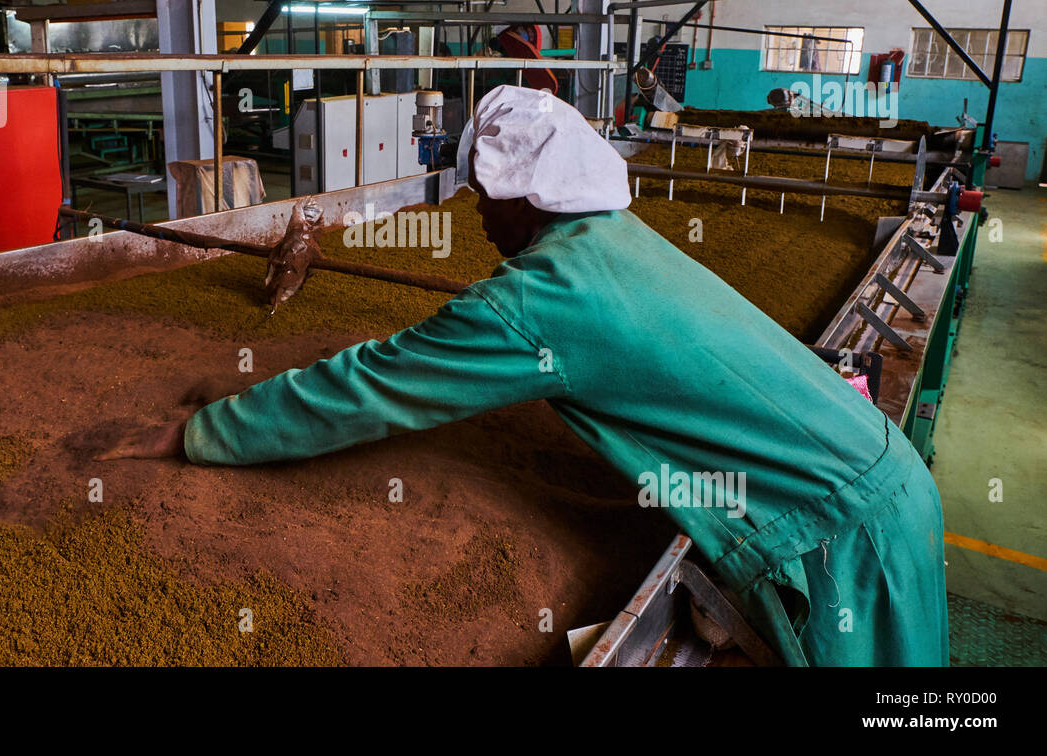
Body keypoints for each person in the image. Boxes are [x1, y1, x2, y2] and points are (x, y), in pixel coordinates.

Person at [98, 85, 948, 667]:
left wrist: (200, 432)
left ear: (527, 198)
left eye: (484, 193)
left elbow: (371, 386)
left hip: (839, 534)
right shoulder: (616, 241)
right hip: (879, 469)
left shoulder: (539, 301)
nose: (474, 210)